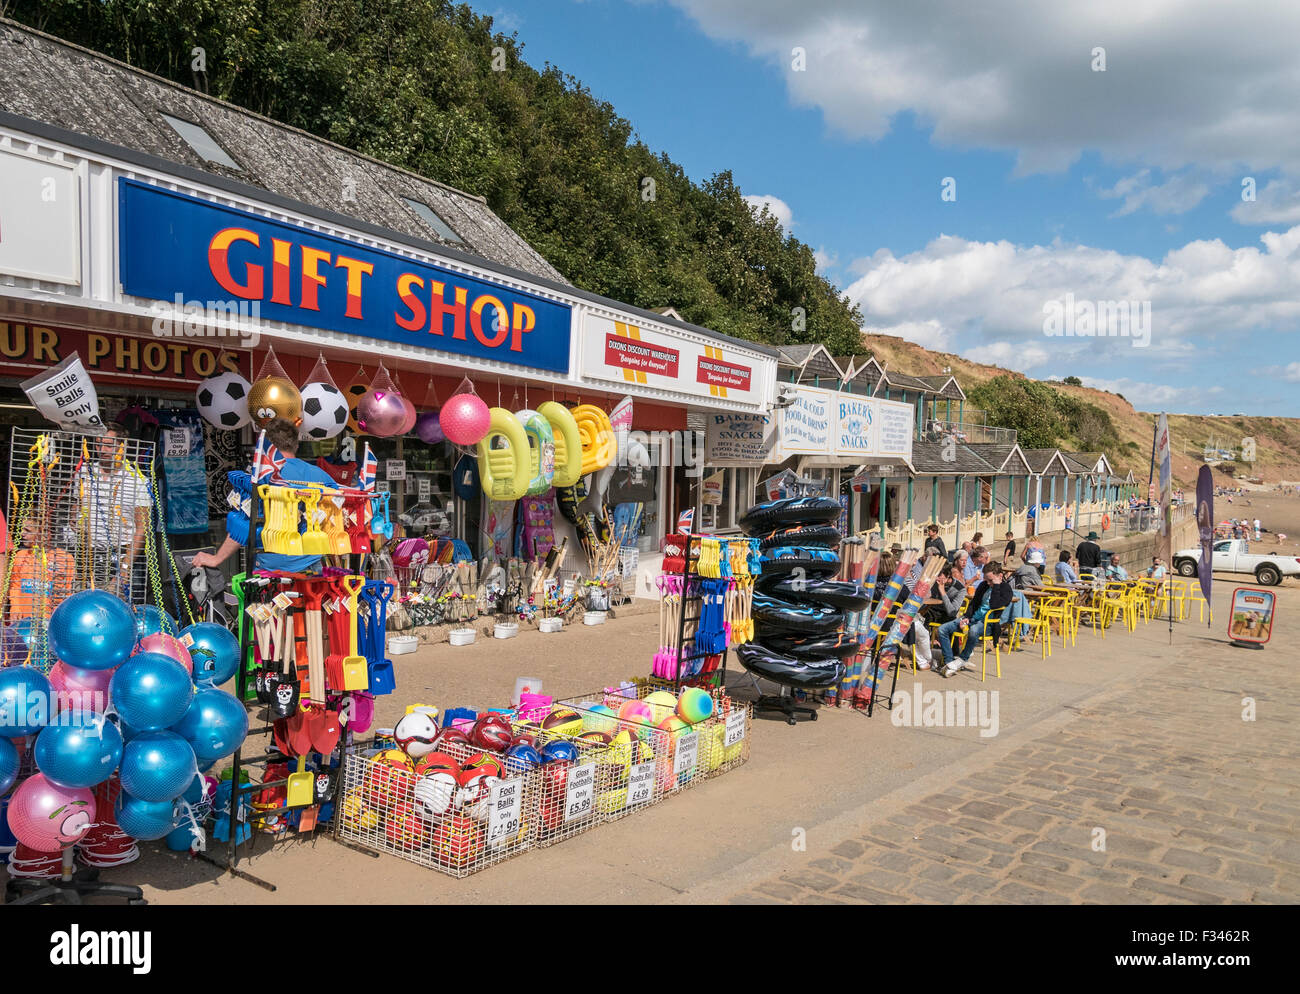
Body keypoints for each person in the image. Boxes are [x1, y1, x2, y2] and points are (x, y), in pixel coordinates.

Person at [191, 418, 338, 574]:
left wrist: (216, 559)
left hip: (269, 572)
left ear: (268, 446)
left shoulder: (262, 476)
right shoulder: (321, 476)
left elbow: (244, 521)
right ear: (296, 444)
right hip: (312, 569)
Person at [73, 424, 153, 600]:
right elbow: (76, 511)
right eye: (99, 444)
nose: (103, 450)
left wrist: (124, 569)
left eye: (109, 445)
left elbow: (142, 528)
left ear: (122, 446)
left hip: (124, 555)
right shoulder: (85, 473)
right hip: (91, 555)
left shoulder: (137, 480)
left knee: (125, 614)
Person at [937, 562, 1014, 676]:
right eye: (986, 580)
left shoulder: (1006, 589)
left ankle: (962, 659)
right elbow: (973, 604)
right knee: (942, 629)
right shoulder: (984, 585)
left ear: (1000, 576)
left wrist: (996, 586)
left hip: (988, 624)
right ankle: (950, 663)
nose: (988, 583)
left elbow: (994, 605)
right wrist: (967, 617)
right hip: (974, 619)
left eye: (990, 580)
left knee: (973, 630)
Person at [5, 516, 76, 621]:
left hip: (50, 620)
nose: (22, 534)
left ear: (45, 534)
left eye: (28, 531)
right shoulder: (20, 556)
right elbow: (15, 585)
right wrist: (15, 608)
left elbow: (66, 592)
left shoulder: (64, 559)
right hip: (22, 620)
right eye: (21, 529)